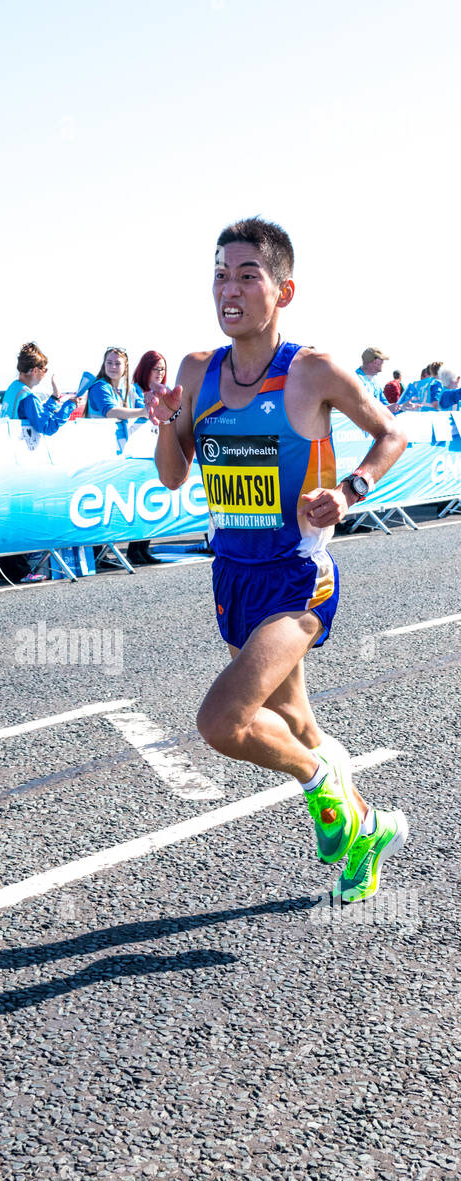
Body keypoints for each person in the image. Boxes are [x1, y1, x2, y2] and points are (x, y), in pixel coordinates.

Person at [150, 215, 408, 905]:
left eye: (246, 275)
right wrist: (164, 424)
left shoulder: (311, 371)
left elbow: (390, 436)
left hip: (298, 578)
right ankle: (368, 834)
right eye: (218, 274)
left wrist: (347, 491)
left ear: (282, 291)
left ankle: (327, 793)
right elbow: (172, 476)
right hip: (231, 574)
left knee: (223, 722)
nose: (227, 288)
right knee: (296, 725)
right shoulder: (196, 371)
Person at [0, 342, 78, 584]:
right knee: (21, 514)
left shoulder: (14, 389)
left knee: (14, 513)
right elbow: (47, 426)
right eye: (44, 369)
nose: (45, 374)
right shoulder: (27, 395)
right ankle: (17, 570)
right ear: (34, 369)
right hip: (22, 462)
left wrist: (54, 399)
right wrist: (69, 406)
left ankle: (5, 567)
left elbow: (38, 415)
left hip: (11, 460)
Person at [128, 351, 168, 565]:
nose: (160, 373)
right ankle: (134, 549)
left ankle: (143, 547)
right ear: (146, 369)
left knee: (151, 499)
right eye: (156, 368)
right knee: (137, 500)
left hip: (154, 449)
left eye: (162, 369)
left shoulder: (163, 391)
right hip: (136, 450)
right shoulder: (134, 390)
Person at [86, 347, 149, 421]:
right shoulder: (99, 387)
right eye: (109, 363)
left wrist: (151, 409)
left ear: (125, 366)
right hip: (99, 432)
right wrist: (143, 412)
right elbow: (110, 412)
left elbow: (142, 408)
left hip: (125, 432)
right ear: (104, 365)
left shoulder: (130, 389)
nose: (113, 366)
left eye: (117, 363)